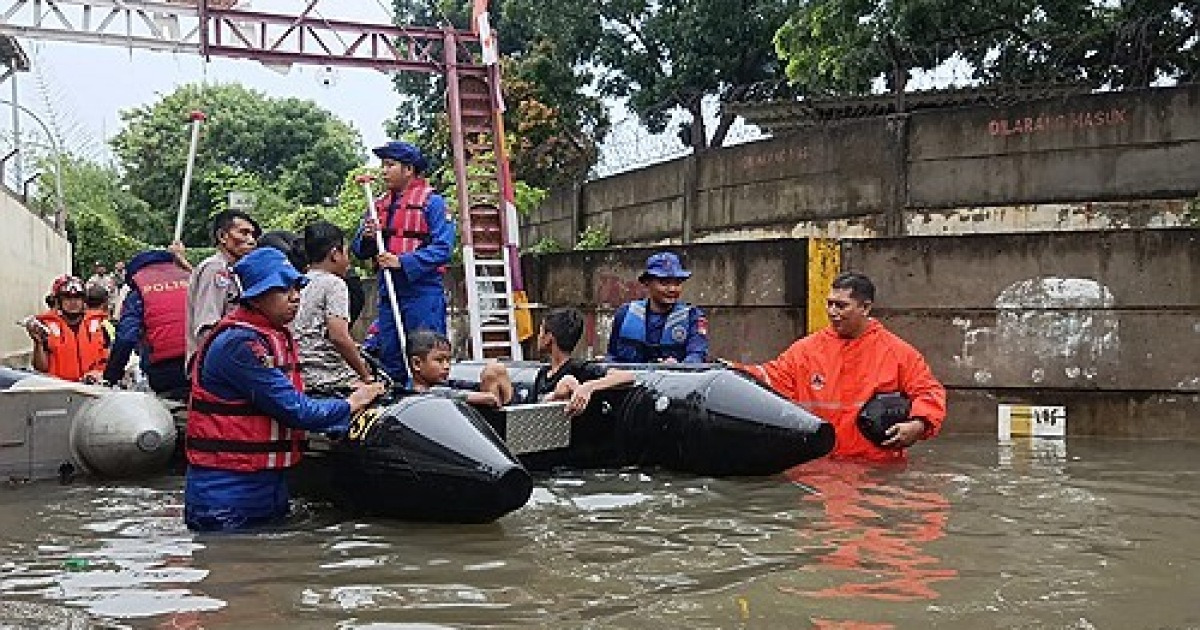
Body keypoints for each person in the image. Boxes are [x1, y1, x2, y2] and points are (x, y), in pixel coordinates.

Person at [184, 247, 384, 532]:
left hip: (266, 486)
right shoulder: (239, 345)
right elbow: (296, 409)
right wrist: (353, 402)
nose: (294, 297)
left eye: (295, 287)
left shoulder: (272, 335)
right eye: (282, 290)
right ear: (255, 296)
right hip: (226, 491)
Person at [729, 272, 947, 463]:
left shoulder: (898, 353)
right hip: (818, 466)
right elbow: (771, 377)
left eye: (841, 306)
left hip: (876, 468)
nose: (832, 312)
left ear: (865, 307)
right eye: (830, 303)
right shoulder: (807, 349)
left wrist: (918, 425)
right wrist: (731, 371)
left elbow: (928, 392)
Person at [351, 140, 456, 383]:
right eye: (383, 165)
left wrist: (403, 262)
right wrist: (367, 237)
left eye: (390, 165)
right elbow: (359, 250)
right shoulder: (376, 205)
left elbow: (443, 249)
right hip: (389, 290)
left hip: (422, 291)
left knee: (427, 352)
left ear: (408, 169)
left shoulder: (433, 203)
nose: (384, 171)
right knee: (391, 353)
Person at [294, 221, 374, 393]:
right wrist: (365, 375)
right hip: (328, 376)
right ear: (335, 254)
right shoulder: (334, 284)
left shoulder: (299, 282)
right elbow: (339, 336)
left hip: (299, 375)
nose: (348, 260)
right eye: (346, 252)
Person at [102, 248, 192, 399]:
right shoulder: (190, 277)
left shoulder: (139, 288)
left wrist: (111, 377)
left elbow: (126, 338)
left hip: (165, 368)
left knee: (171, 415)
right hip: (202, 362)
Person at [186, 210, 261, 364]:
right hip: (217, 363)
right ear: (222, 236)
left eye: (253, 235)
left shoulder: (234, 271)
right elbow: (207, 327)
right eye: (244, 233)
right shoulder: (216, 269)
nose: (251, 240)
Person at [529, 308, 634, 416]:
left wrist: (588, 387)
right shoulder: (543, 373)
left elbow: (627, 377)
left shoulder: (580, 369)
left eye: (541, 332)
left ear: (549, 338)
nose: (538, 337)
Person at [608, 252, 709, 364]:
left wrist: (679, 366)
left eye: (677, 283)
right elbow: (613, 356)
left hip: (675, 379)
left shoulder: (693, 316)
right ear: (647, 283)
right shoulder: (624, 314)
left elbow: (697, 355)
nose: (672, 289)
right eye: (664, 283)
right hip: (630, 379)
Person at [24, 275, 109, 383]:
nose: (73, 302)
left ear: (83, 300)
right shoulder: (46, 328)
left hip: (93, 389)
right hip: (60, 390)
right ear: (59, 301)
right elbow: (41, 368)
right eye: (67, 298)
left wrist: (99, 373)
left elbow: (109, 360)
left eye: (77, 297)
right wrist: (38, 343)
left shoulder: (99, 326)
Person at [406, 330, 510, 408]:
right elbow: (489, 399)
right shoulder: (416, 394)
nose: (446, 366)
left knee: (495, 370)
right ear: (417, 364)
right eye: (439, 360)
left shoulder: (448, 384)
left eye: (448, 360)